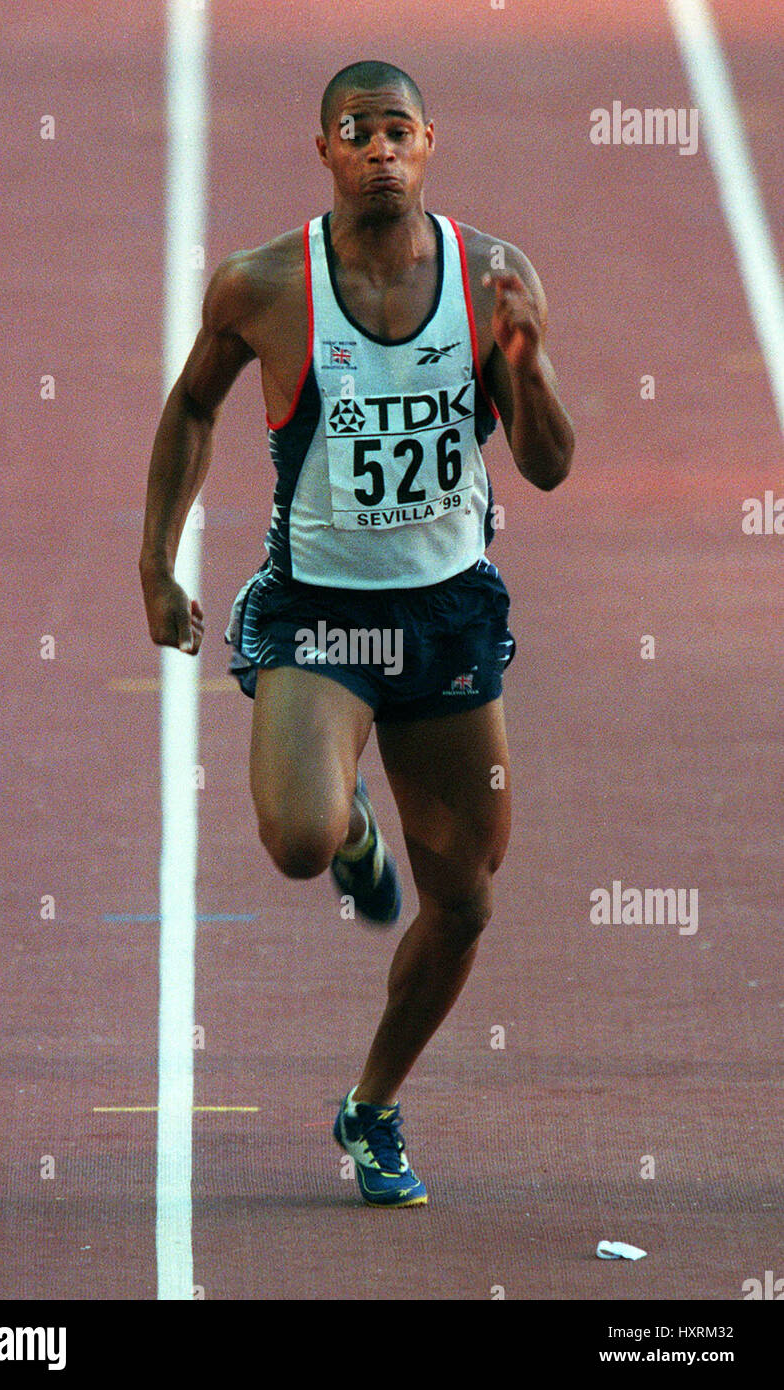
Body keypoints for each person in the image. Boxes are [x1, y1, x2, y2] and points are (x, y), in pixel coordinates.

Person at [140, 60, 575, 1208]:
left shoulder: (492, 276)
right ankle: (345, 826)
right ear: (322, 150)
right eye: (355, 132)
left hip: (445, 616)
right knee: (295, 836)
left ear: (429, 142)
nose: (379, 151)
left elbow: (545, 465)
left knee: (467, 897)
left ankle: (371, 1105)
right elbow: (191, 405)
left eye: (397, 132)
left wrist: (523, 374)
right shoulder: (265, 283)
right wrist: (155, 560)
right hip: (321, 615)